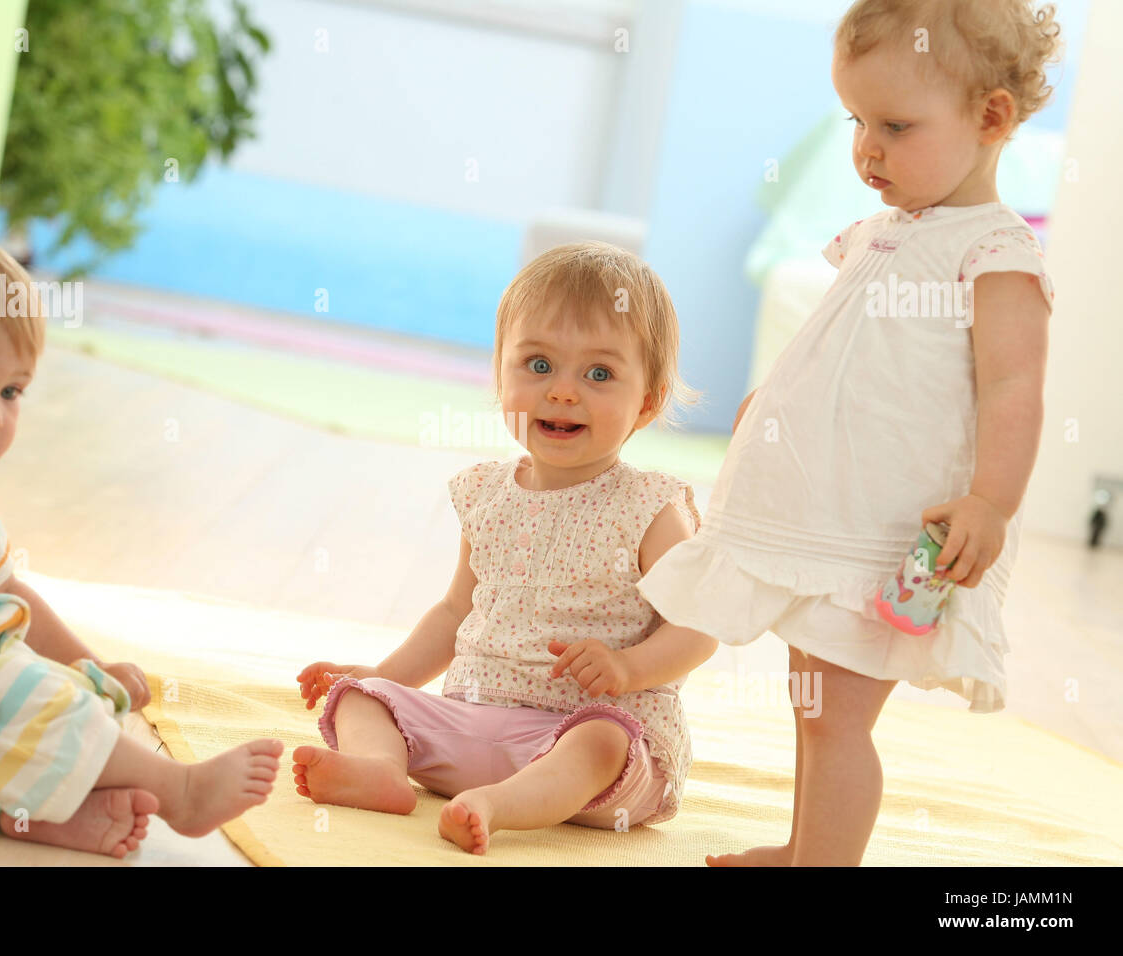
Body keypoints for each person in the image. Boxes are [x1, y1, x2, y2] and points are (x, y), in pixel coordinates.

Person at [637, 0, 1062, 865]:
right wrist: (773, 402)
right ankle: (806, 848)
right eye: (857, 121)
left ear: (991, 118)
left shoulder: (994, 251)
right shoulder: (880, 233)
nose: (867, 148)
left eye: (895, 126)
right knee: (816, 701)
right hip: (826, 520)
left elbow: (1016, 387)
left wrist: (993, 501)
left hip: (893, 537)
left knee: (838, 716)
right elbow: (845, 346)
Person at [0, 227, 281, 858]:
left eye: (12, 391)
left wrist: (84, 664)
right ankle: (181, 792)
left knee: (61, 690)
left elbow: (7, 592)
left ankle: (45, 809)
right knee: (14, 696)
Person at [294, 240, 718, 854]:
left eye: (598, 374)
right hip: (475, 722)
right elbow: (453, 613)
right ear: (500, 376)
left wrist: (628, 668)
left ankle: (499, 806)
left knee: (602, 742)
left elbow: (699, 628)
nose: (563, 392)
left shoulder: (651, 509)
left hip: (588, 748)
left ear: (647, 402)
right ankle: (383, 771)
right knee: (362, 698)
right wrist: (384, 676)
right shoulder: (488, 494)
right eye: (538, 365)